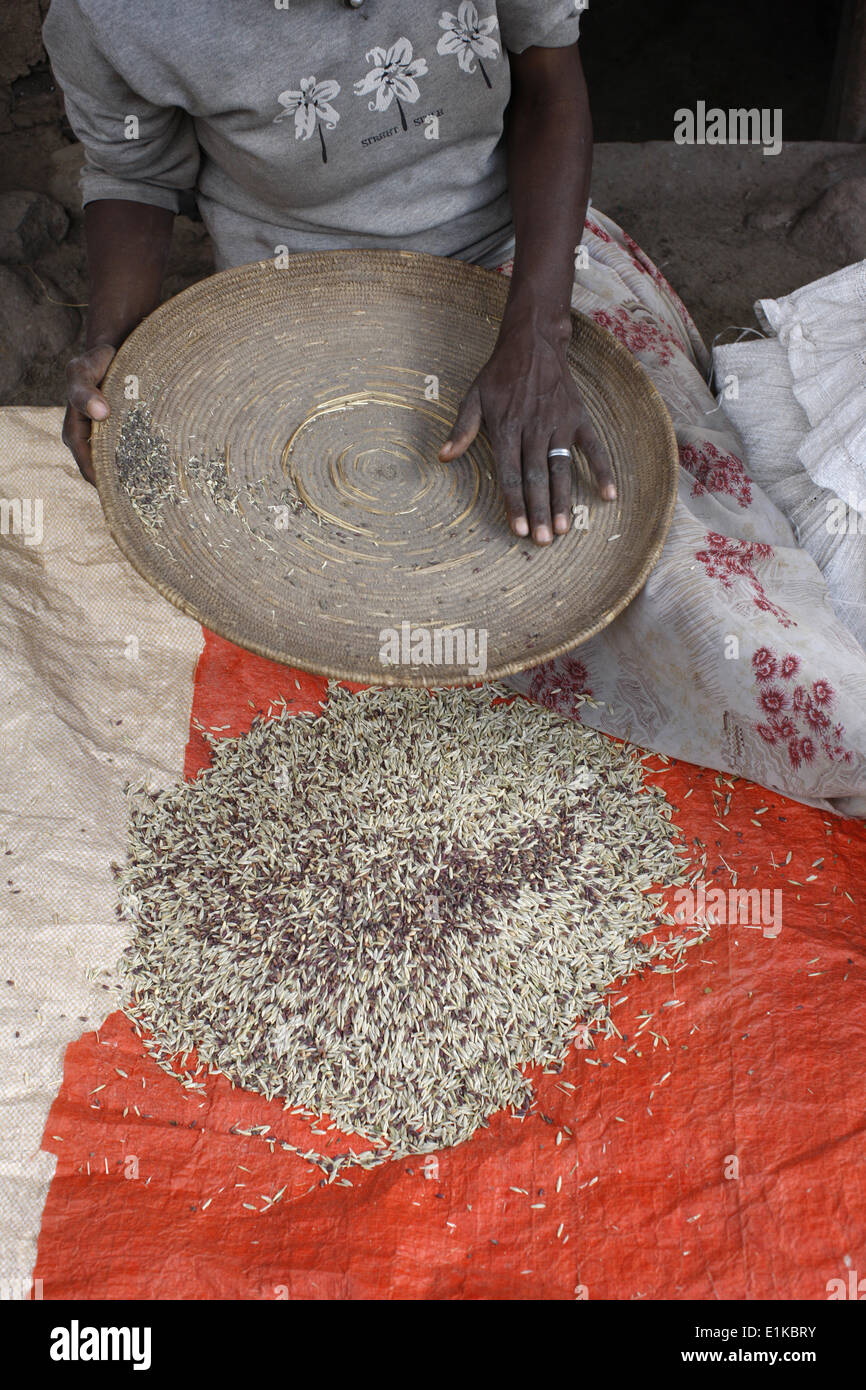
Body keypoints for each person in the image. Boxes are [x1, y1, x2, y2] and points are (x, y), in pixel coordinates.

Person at [43, 0, 866, 814]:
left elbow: (551, 76)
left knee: (702, 603)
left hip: (528, 263)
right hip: (294, 311)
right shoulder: (120, 13)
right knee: (342, 617)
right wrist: (113, 340)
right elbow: (132, 172)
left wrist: (539, 340)